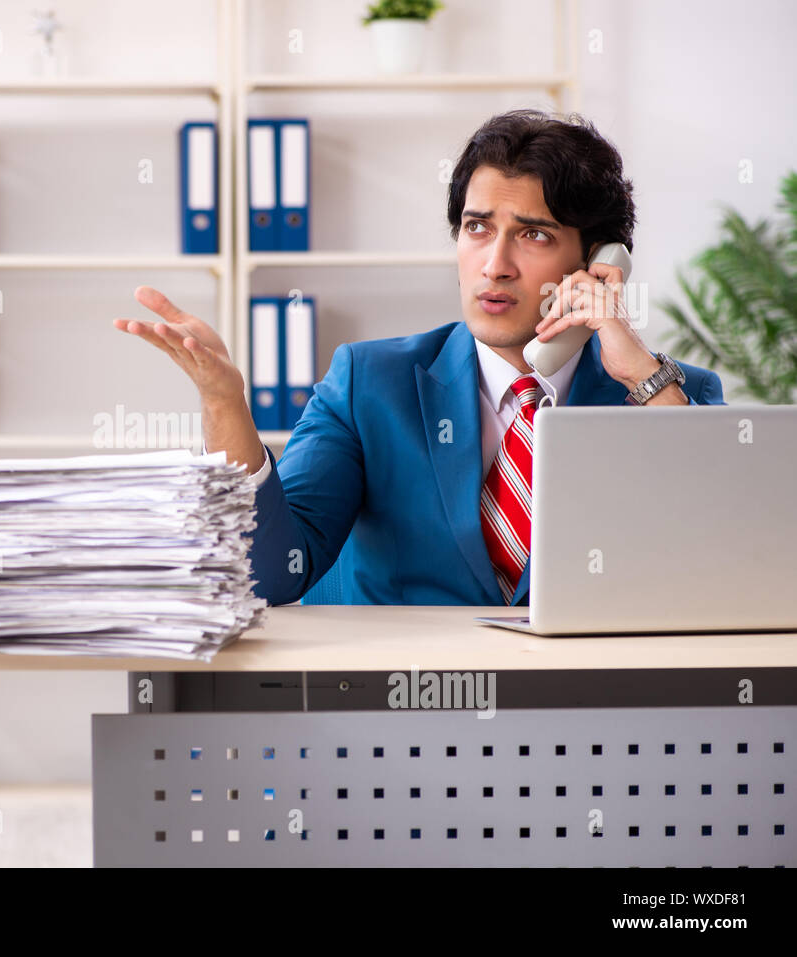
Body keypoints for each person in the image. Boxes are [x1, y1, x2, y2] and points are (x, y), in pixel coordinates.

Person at [112, 109, 725, 608]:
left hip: (595, 717)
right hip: (393, 716)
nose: (495, 264)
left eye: (534, 234)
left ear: (598, 263)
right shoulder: (368, 383)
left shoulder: (670, 395)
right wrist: (225, 406)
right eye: (477, 228)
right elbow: (271, 575)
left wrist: (643, 377)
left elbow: (717, 565)